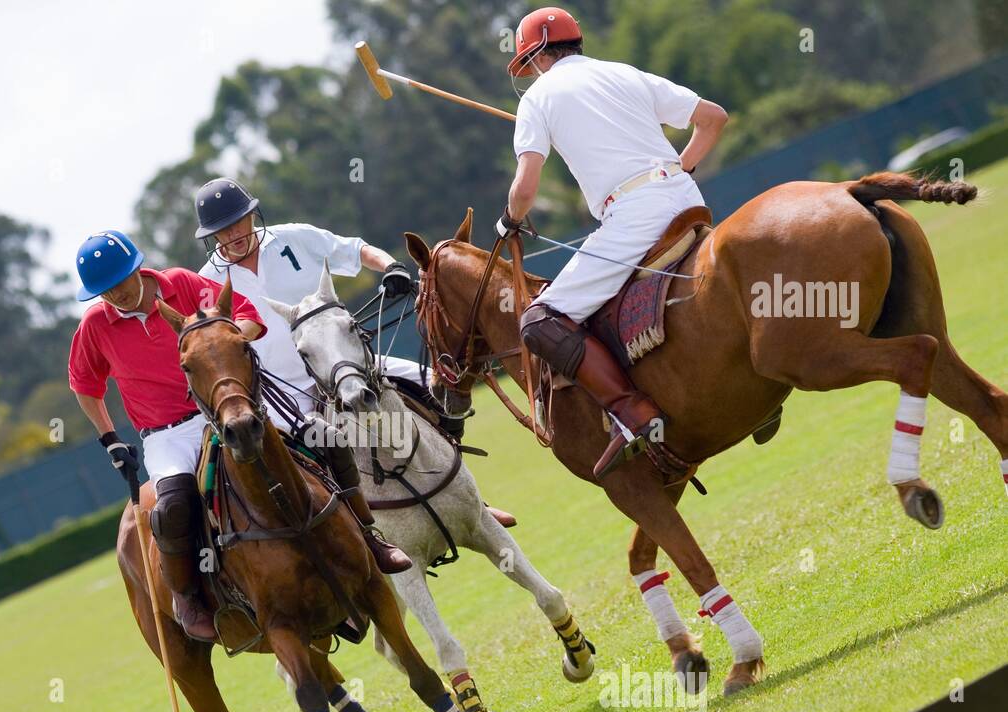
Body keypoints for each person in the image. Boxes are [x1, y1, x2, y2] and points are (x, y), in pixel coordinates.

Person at [497, 6, 728, 478]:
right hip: (685, 198)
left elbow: (525, 189)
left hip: (633, 216)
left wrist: (508, 222)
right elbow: (714, 119)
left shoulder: (537, 99)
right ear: (575, 44)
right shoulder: (624, 72)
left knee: (539, 319)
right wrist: (681, 169)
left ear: (538, 57)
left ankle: (631, 414)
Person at [67, 230, 266, 639]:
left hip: (223, 408)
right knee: (173, 505)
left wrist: (225, 343)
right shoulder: (95, 327)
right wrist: (110, 439)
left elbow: (248, 314)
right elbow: (85, 386)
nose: (116, 295)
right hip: (166, 435)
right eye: (104, 291)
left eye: (120, 281)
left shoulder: (184, 285)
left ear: (137, 268)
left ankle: (363, 534)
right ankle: (188, 597)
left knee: (306, 443)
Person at [192, 178, 456, 432]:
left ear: (252, 214)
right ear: (212, 236)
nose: (234, 232)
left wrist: (391, 267)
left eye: (239, 220)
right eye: (224, 228)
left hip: (347, 364)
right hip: (285, 391)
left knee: (433, 382)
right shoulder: (205, 282)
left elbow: (356, 250)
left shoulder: (294, 237)